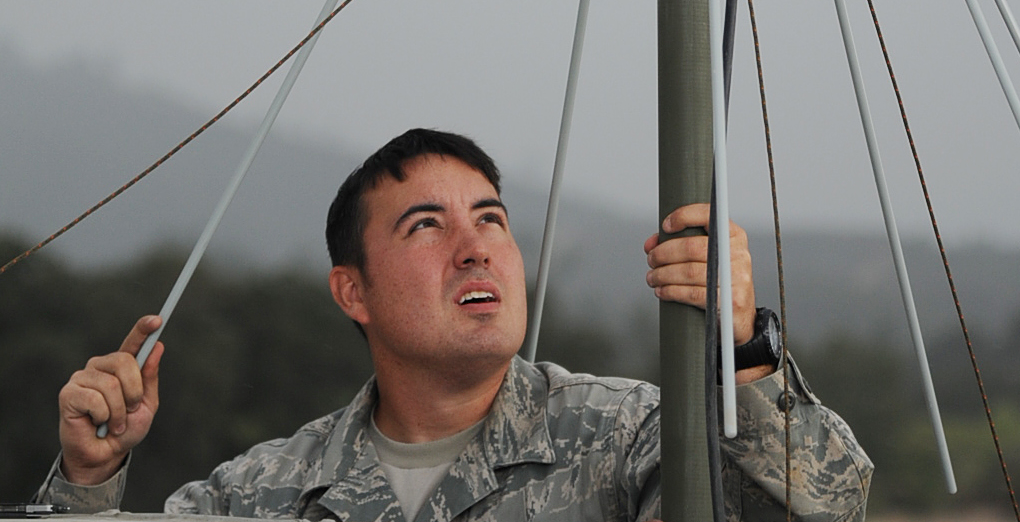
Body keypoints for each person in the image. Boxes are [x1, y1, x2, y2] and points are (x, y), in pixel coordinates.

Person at [39, 128, 872, 520]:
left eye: (492, 218)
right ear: (351, 291)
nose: (476, 248)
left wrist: (744, 352)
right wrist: (86, 477)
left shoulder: (633, 438)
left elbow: (820, 512)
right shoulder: (263, 495)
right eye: (427, 225)